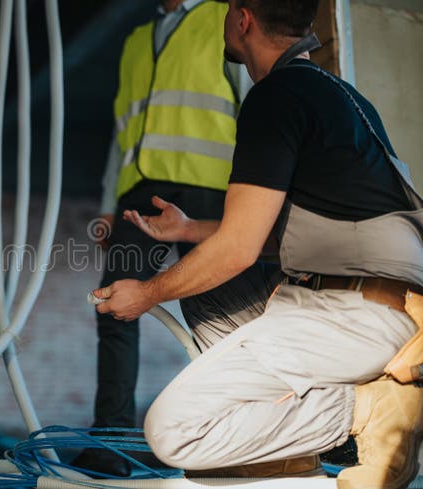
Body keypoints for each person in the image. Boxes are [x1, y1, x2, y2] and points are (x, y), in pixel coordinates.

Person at [95, 0, 423, 487]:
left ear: (243, 20)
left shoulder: (275, 98)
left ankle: (367, 410)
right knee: (206, 290)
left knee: (173, 431)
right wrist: (189, 230)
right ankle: (280, 453)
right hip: (379, 303)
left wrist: (145, 295)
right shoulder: (337, 95)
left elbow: (237, 251)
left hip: (354, 314)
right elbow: (286, 232)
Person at [75, 0, 280, 477]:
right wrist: (109, 204)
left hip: (213, 190)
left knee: (225, 308)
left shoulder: (225, 18)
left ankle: (250, 432)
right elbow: (122, 133)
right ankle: (112, 444)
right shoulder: (133, 42)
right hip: (138, 194)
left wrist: (254, 195)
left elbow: (256, 105)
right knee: (113, 309)